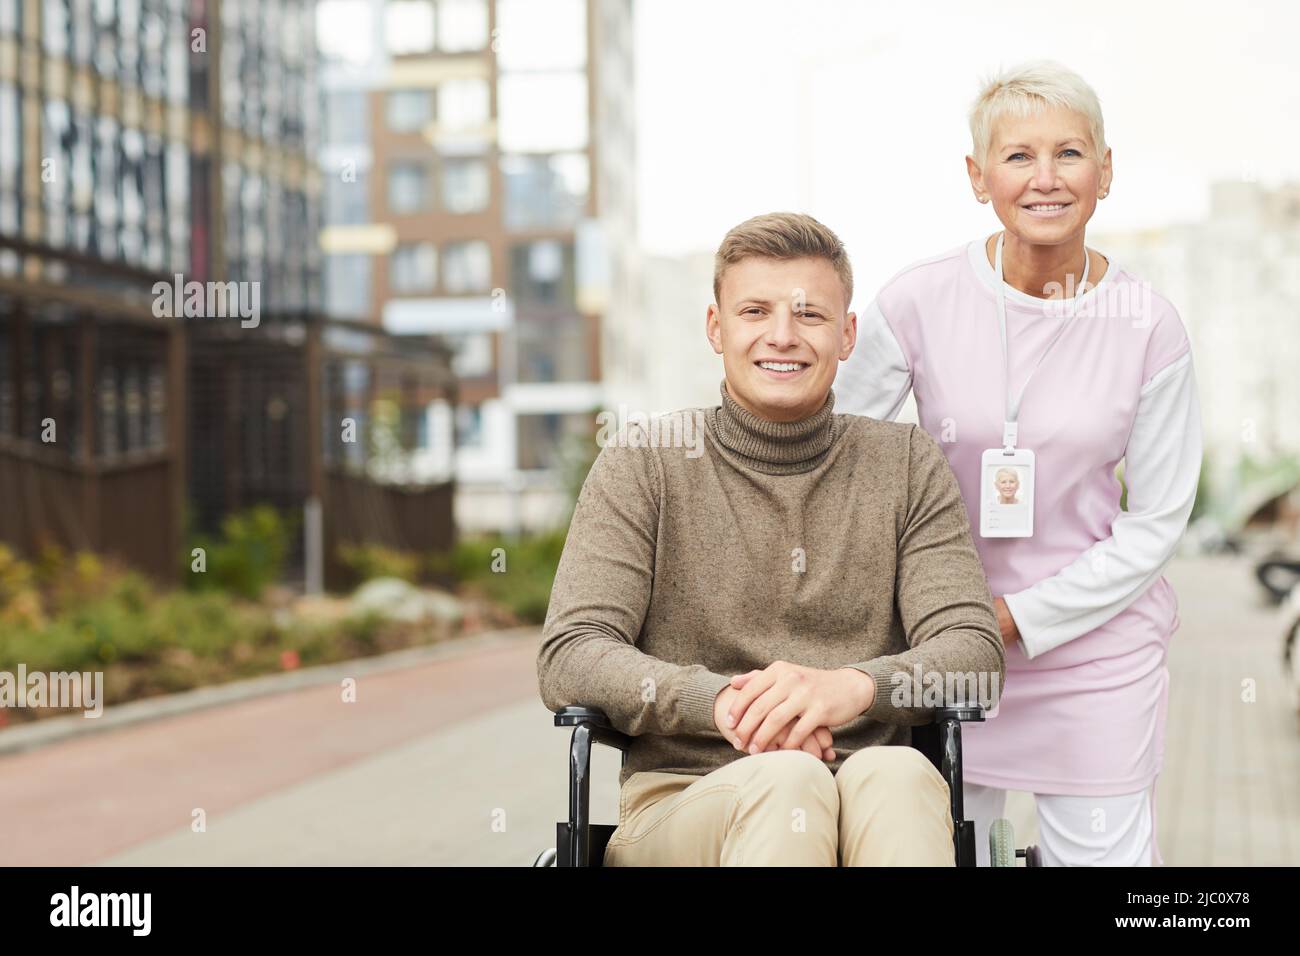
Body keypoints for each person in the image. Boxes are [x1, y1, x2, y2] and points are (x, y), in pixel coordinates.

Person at [538, 212, 1004, 866]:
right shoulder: (646, 461)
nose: (781, 337)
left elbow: (976, 657)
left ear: (846, 335)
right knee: (791, 780)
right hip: (686, 797)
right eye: (754, 311)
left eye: (810, 316)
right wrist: (723, 703)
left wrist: (851, 689)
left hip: (870, 791)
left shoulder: (904, 463)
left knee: (900, 774)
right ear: (716, 327)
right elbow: (570, 654)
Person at [835, 62, 1203, 866]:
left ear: (1105, 171)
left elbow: (1157, 524)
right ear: (978, 177)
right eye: (1017, 157)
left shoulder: (1150, 327)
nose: (1045, 179)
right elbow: (838, 459)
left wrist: (1016, 619)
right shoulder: (918, 302)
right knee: (937, 852)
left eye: (1069, 154)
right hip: (941, 645)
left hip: (1094, 651)